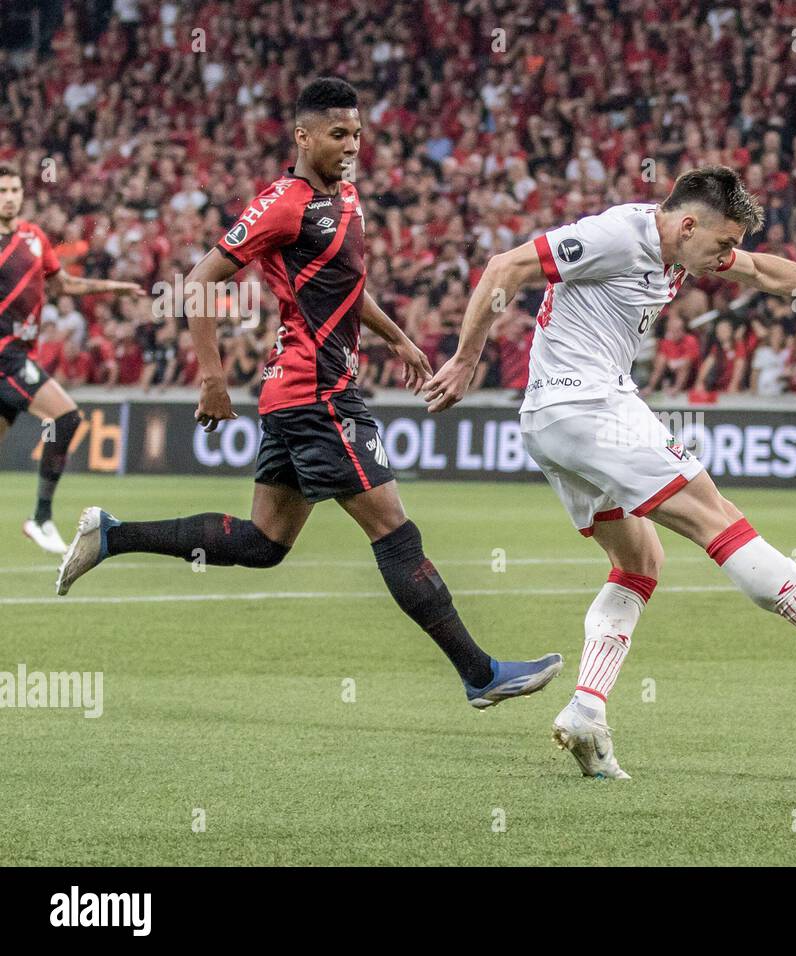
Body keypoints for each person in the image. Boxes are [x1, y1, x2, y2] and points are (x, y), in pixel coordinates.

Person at [56, 77, 562, 709]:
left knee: (263, 544)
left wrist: (399, 339)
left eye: (356, 132)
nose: (352, 144)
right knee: (395, 532)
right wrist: (212, 377)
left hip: (303, 394)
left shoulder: (345, 197)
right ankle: (480, 673)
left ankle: (110, 535)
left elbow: (348, 285)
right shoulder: (282, 203)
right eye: (337, 134)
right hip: (317, 394)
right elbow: (199, 282)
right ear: (303, 136)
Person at [423, 165, 796, 780]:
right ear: (688, 223)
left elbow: (762, 269)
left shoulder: (681, 247)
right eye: (722, 243)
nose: (728, 256)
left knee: (640, 564)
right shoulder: (617, 234)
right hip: (589, 406)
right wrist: (465, 360)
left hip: (553, 421)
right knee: (715, 517)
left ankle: (587, 709)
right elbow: (505, 268)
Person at [0, 163, 146, 553]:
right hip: (6, 358)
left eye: (14, 190)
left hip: (18, 355)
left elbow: (63, 284)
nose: (10, 197)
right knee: (67, 417)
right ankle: (42, 518)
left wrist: (113, 288)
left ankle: (41, 519)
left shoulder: (33, 237)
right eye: (2, 191)